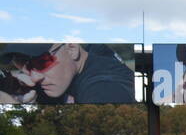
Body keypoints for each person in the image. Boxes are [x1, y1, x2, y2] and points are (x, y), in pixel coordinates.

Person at [0, 43, 135, 104]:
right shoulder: (92, 54)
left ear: (72, 49)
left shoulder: (104, 89)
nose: (34, 78)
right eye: (22, 64)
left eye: (42, 62)